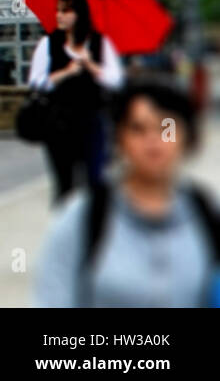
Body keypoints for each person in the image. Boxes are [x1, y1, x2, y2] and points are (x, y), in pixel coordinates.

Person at [35, 81, 220, 307]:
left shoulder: (206, 215)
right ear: (120, 138)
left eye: (166, 129)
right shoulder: (84, 217)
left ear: (187, 136)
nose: (153, 141)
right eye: (138, 129)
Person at [27, 0, 124, 201]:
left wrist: (91, 65)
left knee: (95, 179)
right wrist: (64, 73)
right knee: (65, 184)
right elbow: (36, 81)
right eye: (58, 10)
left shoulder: (99, 43)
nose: (59, 15)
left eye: (66, 11)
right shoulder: (48, 44)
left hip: (92, 120)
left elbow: (115, 80)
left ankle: (93, 225)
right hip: (58, 123)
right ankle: (68, 228)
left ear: (79, 13)